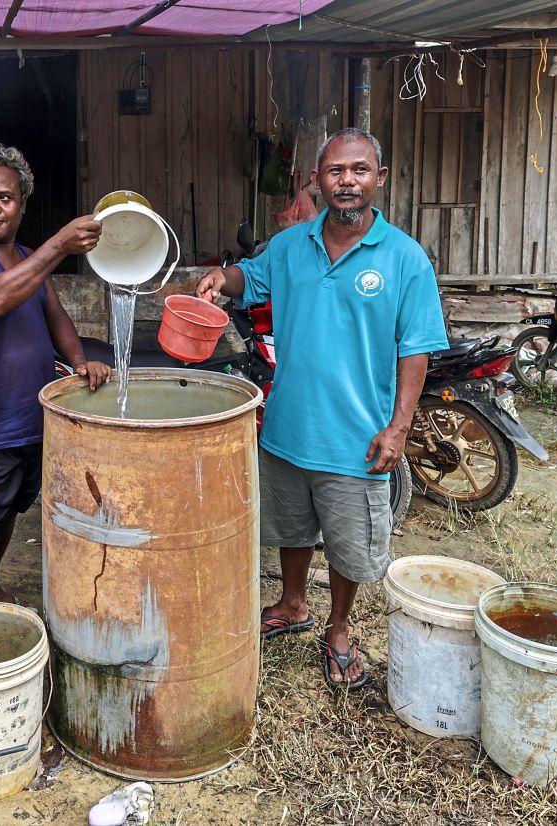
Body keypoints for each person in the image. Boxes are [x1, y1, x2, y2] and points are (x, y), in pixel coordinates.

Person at [197, 128, 448, 691]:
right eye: (335, 171)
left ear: (379, 178)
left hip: (355, 436)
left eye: (359, 170)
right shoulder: (290, 245)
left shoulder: (405, 258)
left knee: (347, 541)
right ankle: (291, 602)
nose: (347, 181)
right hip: (288, 426)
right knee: (291, 525)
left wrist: (399, 428)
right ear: (318, 180)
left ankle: (337, 627)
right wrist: (222, 276)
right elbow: (250, 279)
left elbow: (416, 350)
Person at [0, 143, 111, 604]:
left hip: (30, 419)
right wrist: (59, 245)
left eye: (5, 197)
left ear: (22, 203)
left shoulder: (27, 257)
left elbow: (54, 316)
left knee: (10, 509)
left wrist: (78, 360)